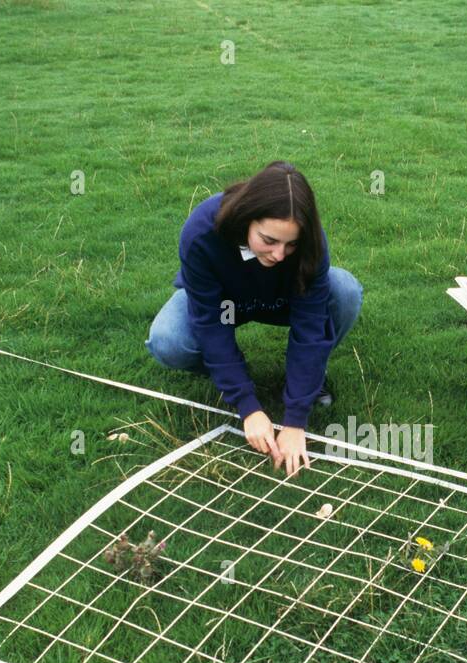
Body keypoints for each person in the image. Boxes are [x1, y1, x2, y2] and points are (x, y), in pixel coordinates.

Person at [147, 161, 363, 476]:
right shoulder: (201, 232)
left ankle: (308, 384)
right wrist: (247, 405)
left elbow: (311, 328)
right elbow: (209, 322)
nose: (279, 255)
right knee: (168, 340)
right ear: (247, 217)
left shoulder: (311, 241)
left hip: (281, 301)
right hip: (223, 304)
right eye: (269, 241)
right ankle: (232, 377)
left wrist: (295, 421)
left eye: (291, 245)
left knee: (344, 291)